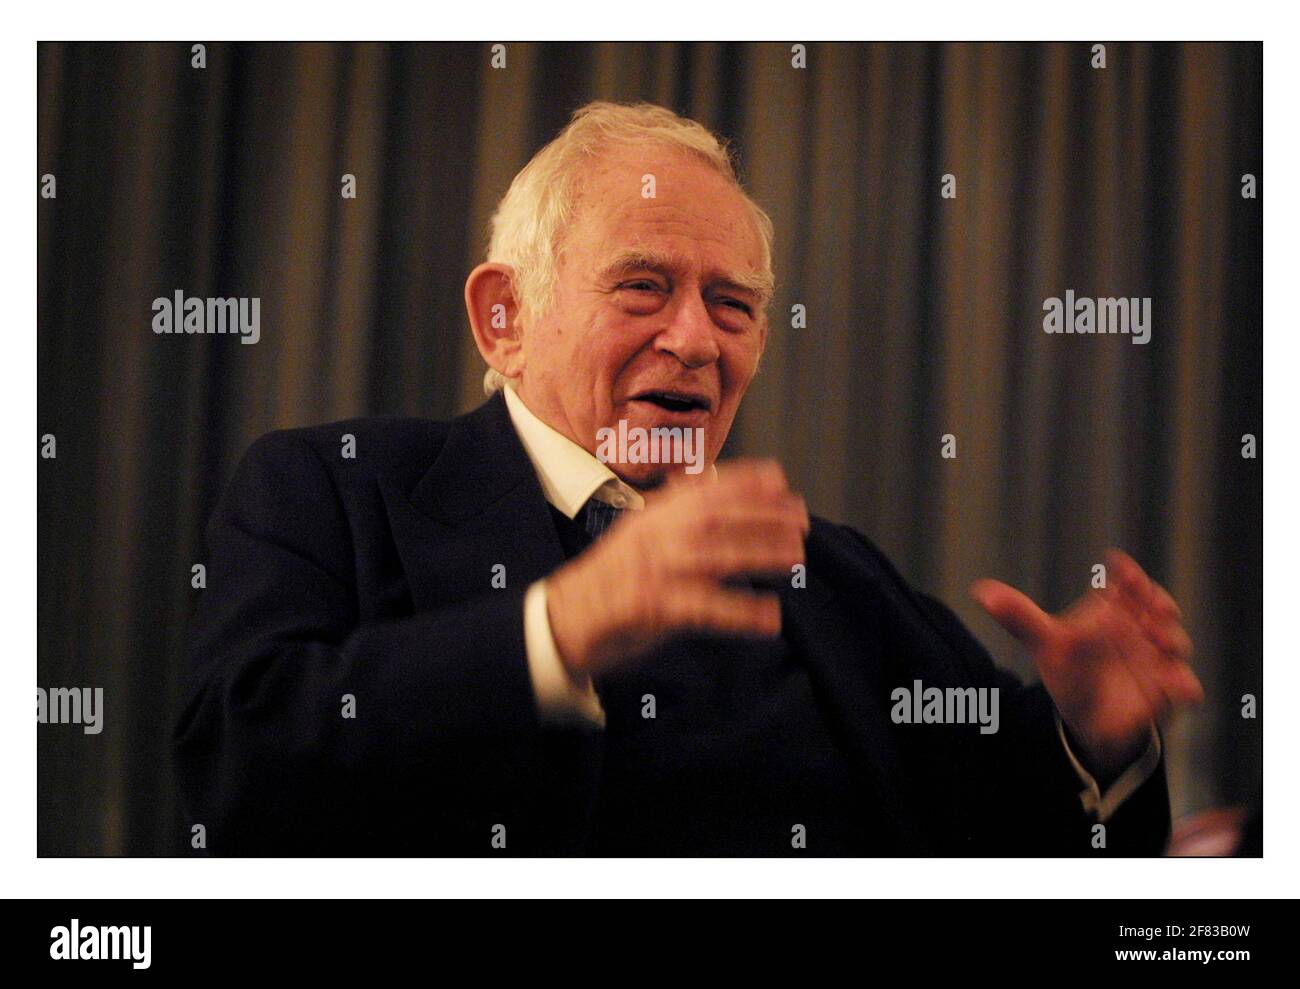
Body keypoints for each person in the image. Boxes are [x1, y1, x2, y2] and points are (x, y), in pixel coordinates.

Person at [175, 101, 1201, 856]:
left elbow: (1014, 843)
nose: (695, 340)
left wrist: (1089, 738)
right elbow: (236, 773)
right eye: (644, 287)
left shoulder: (828, 574)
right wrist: (561, 625)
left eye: (734, 305)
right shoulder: (334, 491)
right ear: (504, 316)